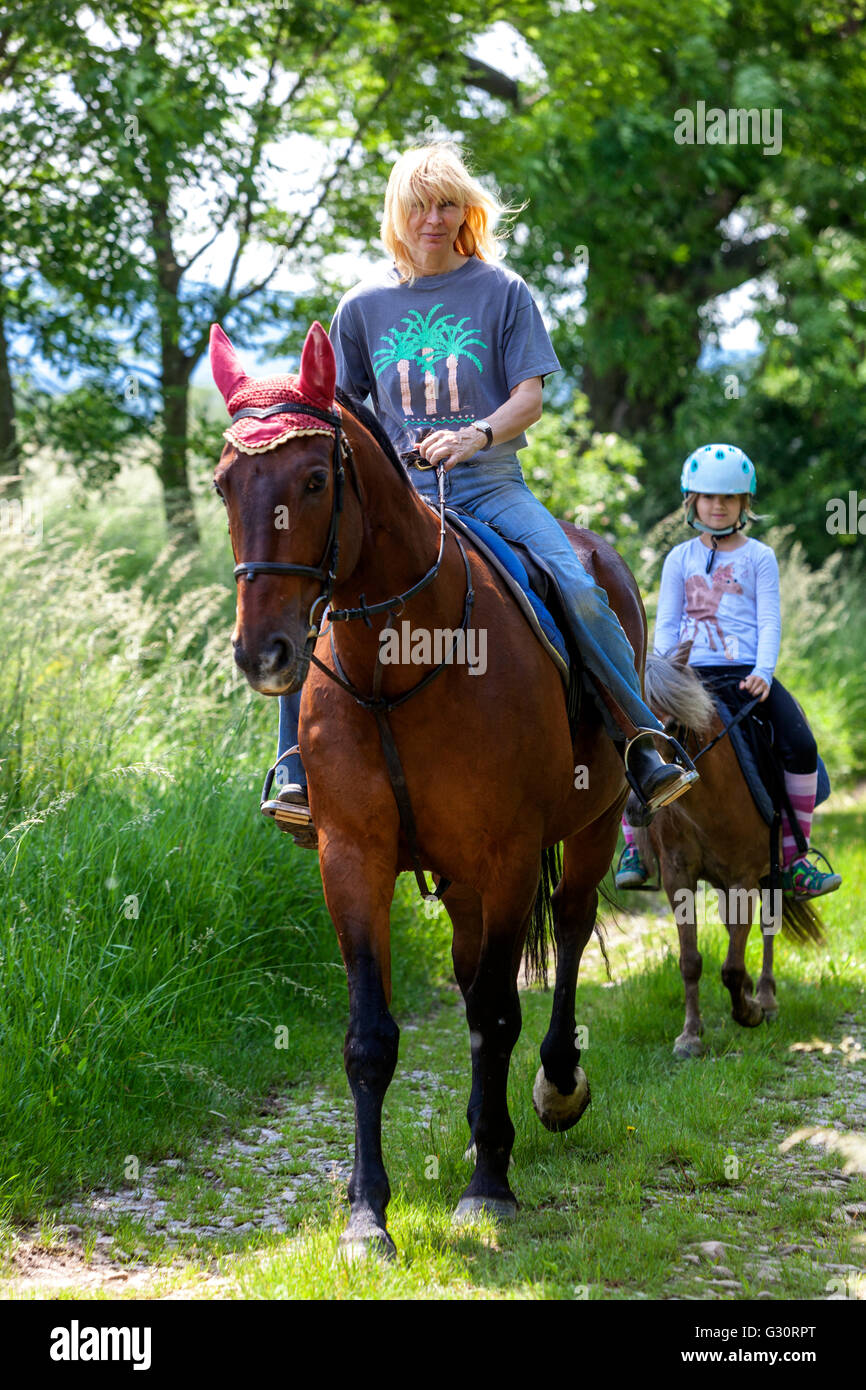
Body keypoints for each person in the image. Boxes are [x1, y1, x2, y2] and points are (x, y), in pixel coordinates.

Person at [264, 143, 698, 836]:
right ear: (397, 214)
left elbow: (530, 397)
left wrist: (477, 435)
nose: (432, 219)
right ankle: (294, 765)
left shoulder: (503, 292)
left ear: (465, 212)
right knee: (312, 593)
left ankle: (640, 743)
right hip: (400, 499)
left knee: (578, 585)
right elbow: (339, 413)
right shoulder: (362, 306)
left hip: (491, 485)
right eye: (418, 205)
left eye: (446, 204)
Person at [614, 443, 842, 899]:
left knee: (800, 742)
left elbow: (769, 620)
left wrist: (764, 669)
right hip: (688, 677)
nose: (718, 506)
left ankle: (796, 858)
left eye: (729, 498)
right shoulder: (680, 558)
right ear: (691, 501)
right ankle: (636, 846)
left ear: (744, 503)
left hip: (745, 676)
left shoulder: (760, 557)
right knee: (634, 736)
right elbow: (669, 625)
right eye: (708, 497)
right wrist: (664, 679)